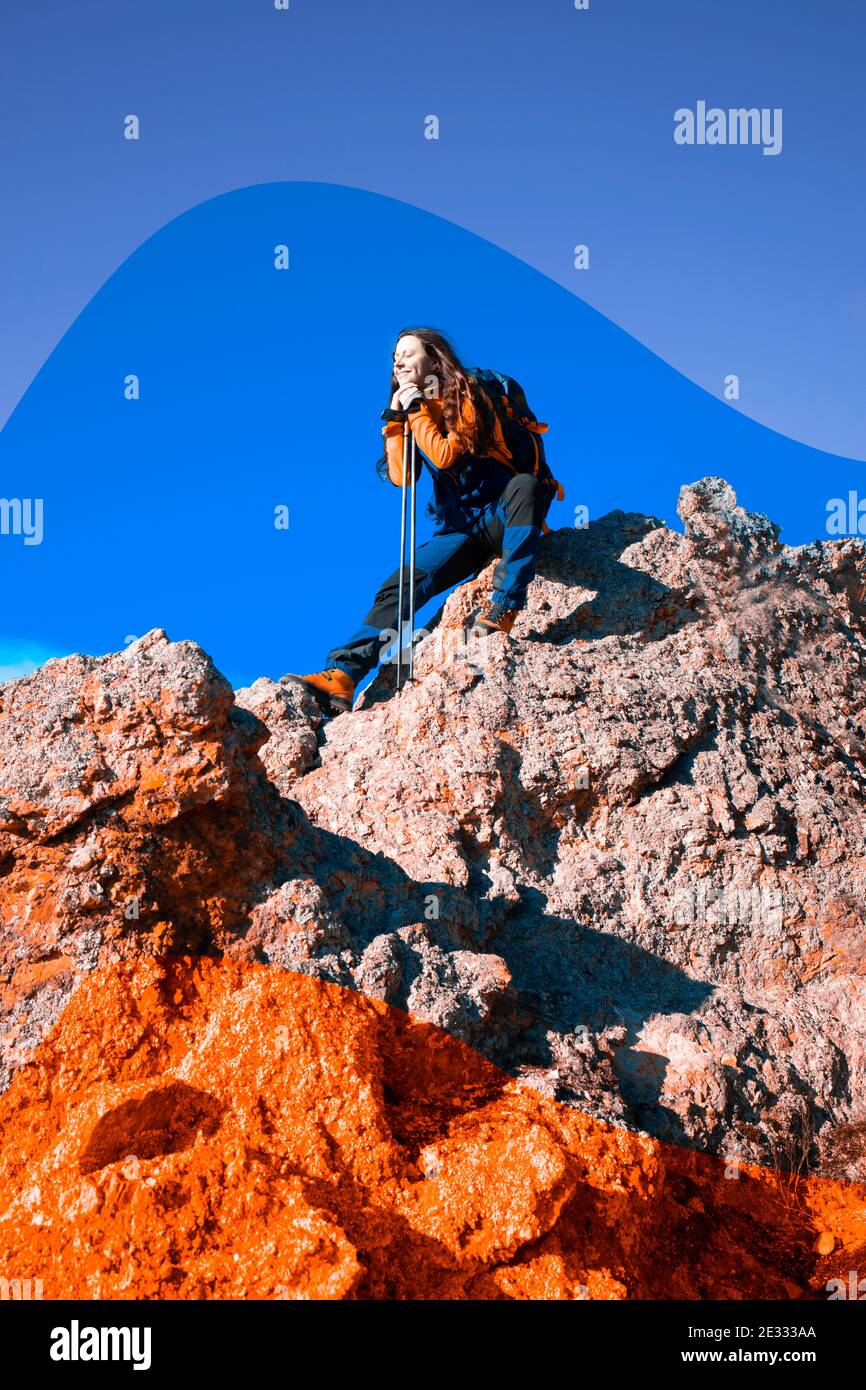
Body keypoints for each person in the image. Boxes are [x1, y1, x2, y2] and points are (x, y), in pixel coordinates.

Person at [282, 327, 559, 717]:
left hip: (506, 511)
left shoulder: (467, 392)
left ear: (434, 358)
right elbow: (403, 476)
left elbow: (446, 455)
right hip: (464, 527)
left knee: (525, 487)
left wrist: (415, 410)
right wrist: (397, 422)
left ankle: (504, 607)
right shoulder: (417, 407)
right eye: (395, 356)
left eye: (408, 354)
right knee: (400, 583)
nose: (397, 361)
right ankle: (343, 674)